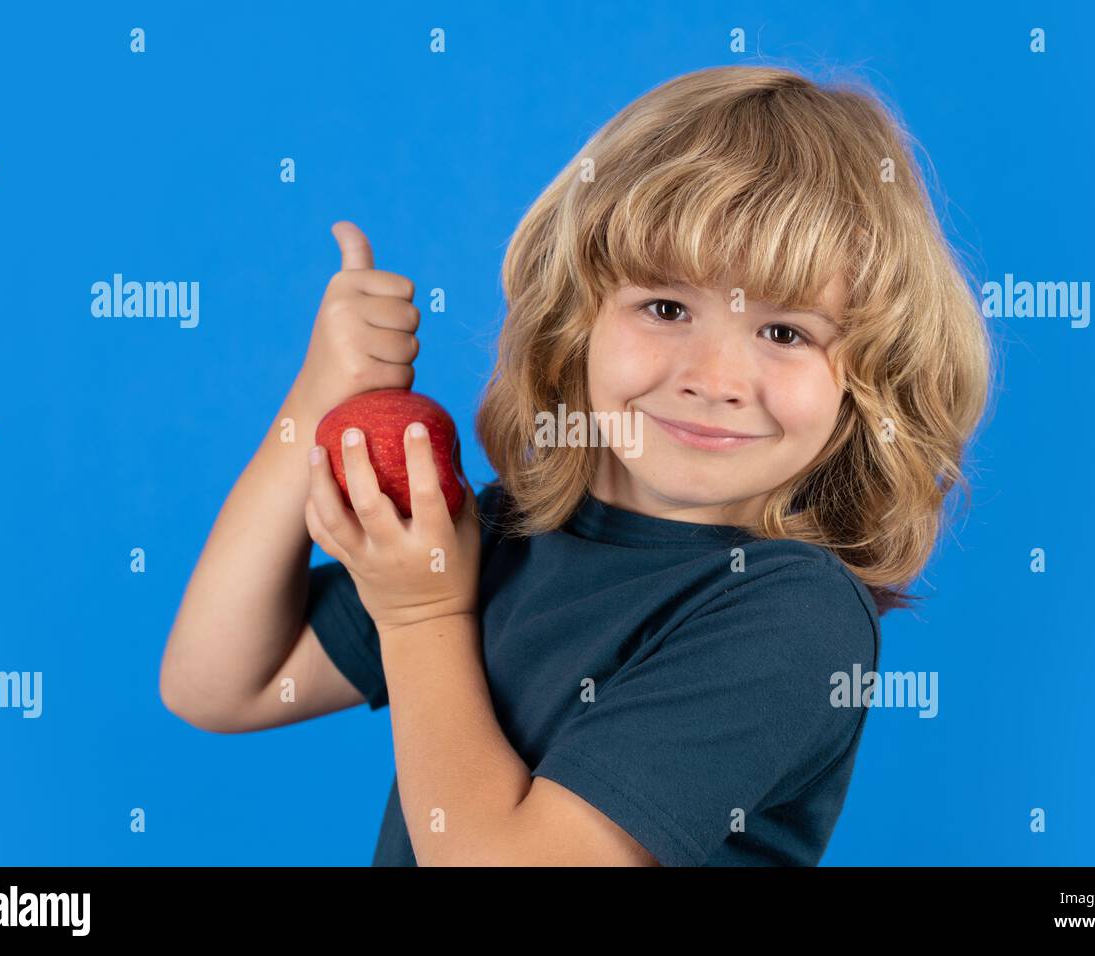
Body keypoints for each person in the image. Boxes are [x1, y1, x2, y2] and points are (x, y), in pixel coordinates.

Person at [159, 64, 994, 866]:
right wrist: (312, 408)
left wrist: (419, 619)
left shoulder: (791, 612)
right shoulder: (499, 535)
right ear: (575, 322)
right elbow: (220, 683)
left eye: (786, 332)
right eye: (665, 307)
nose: (715, 380)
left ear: (868, 380)